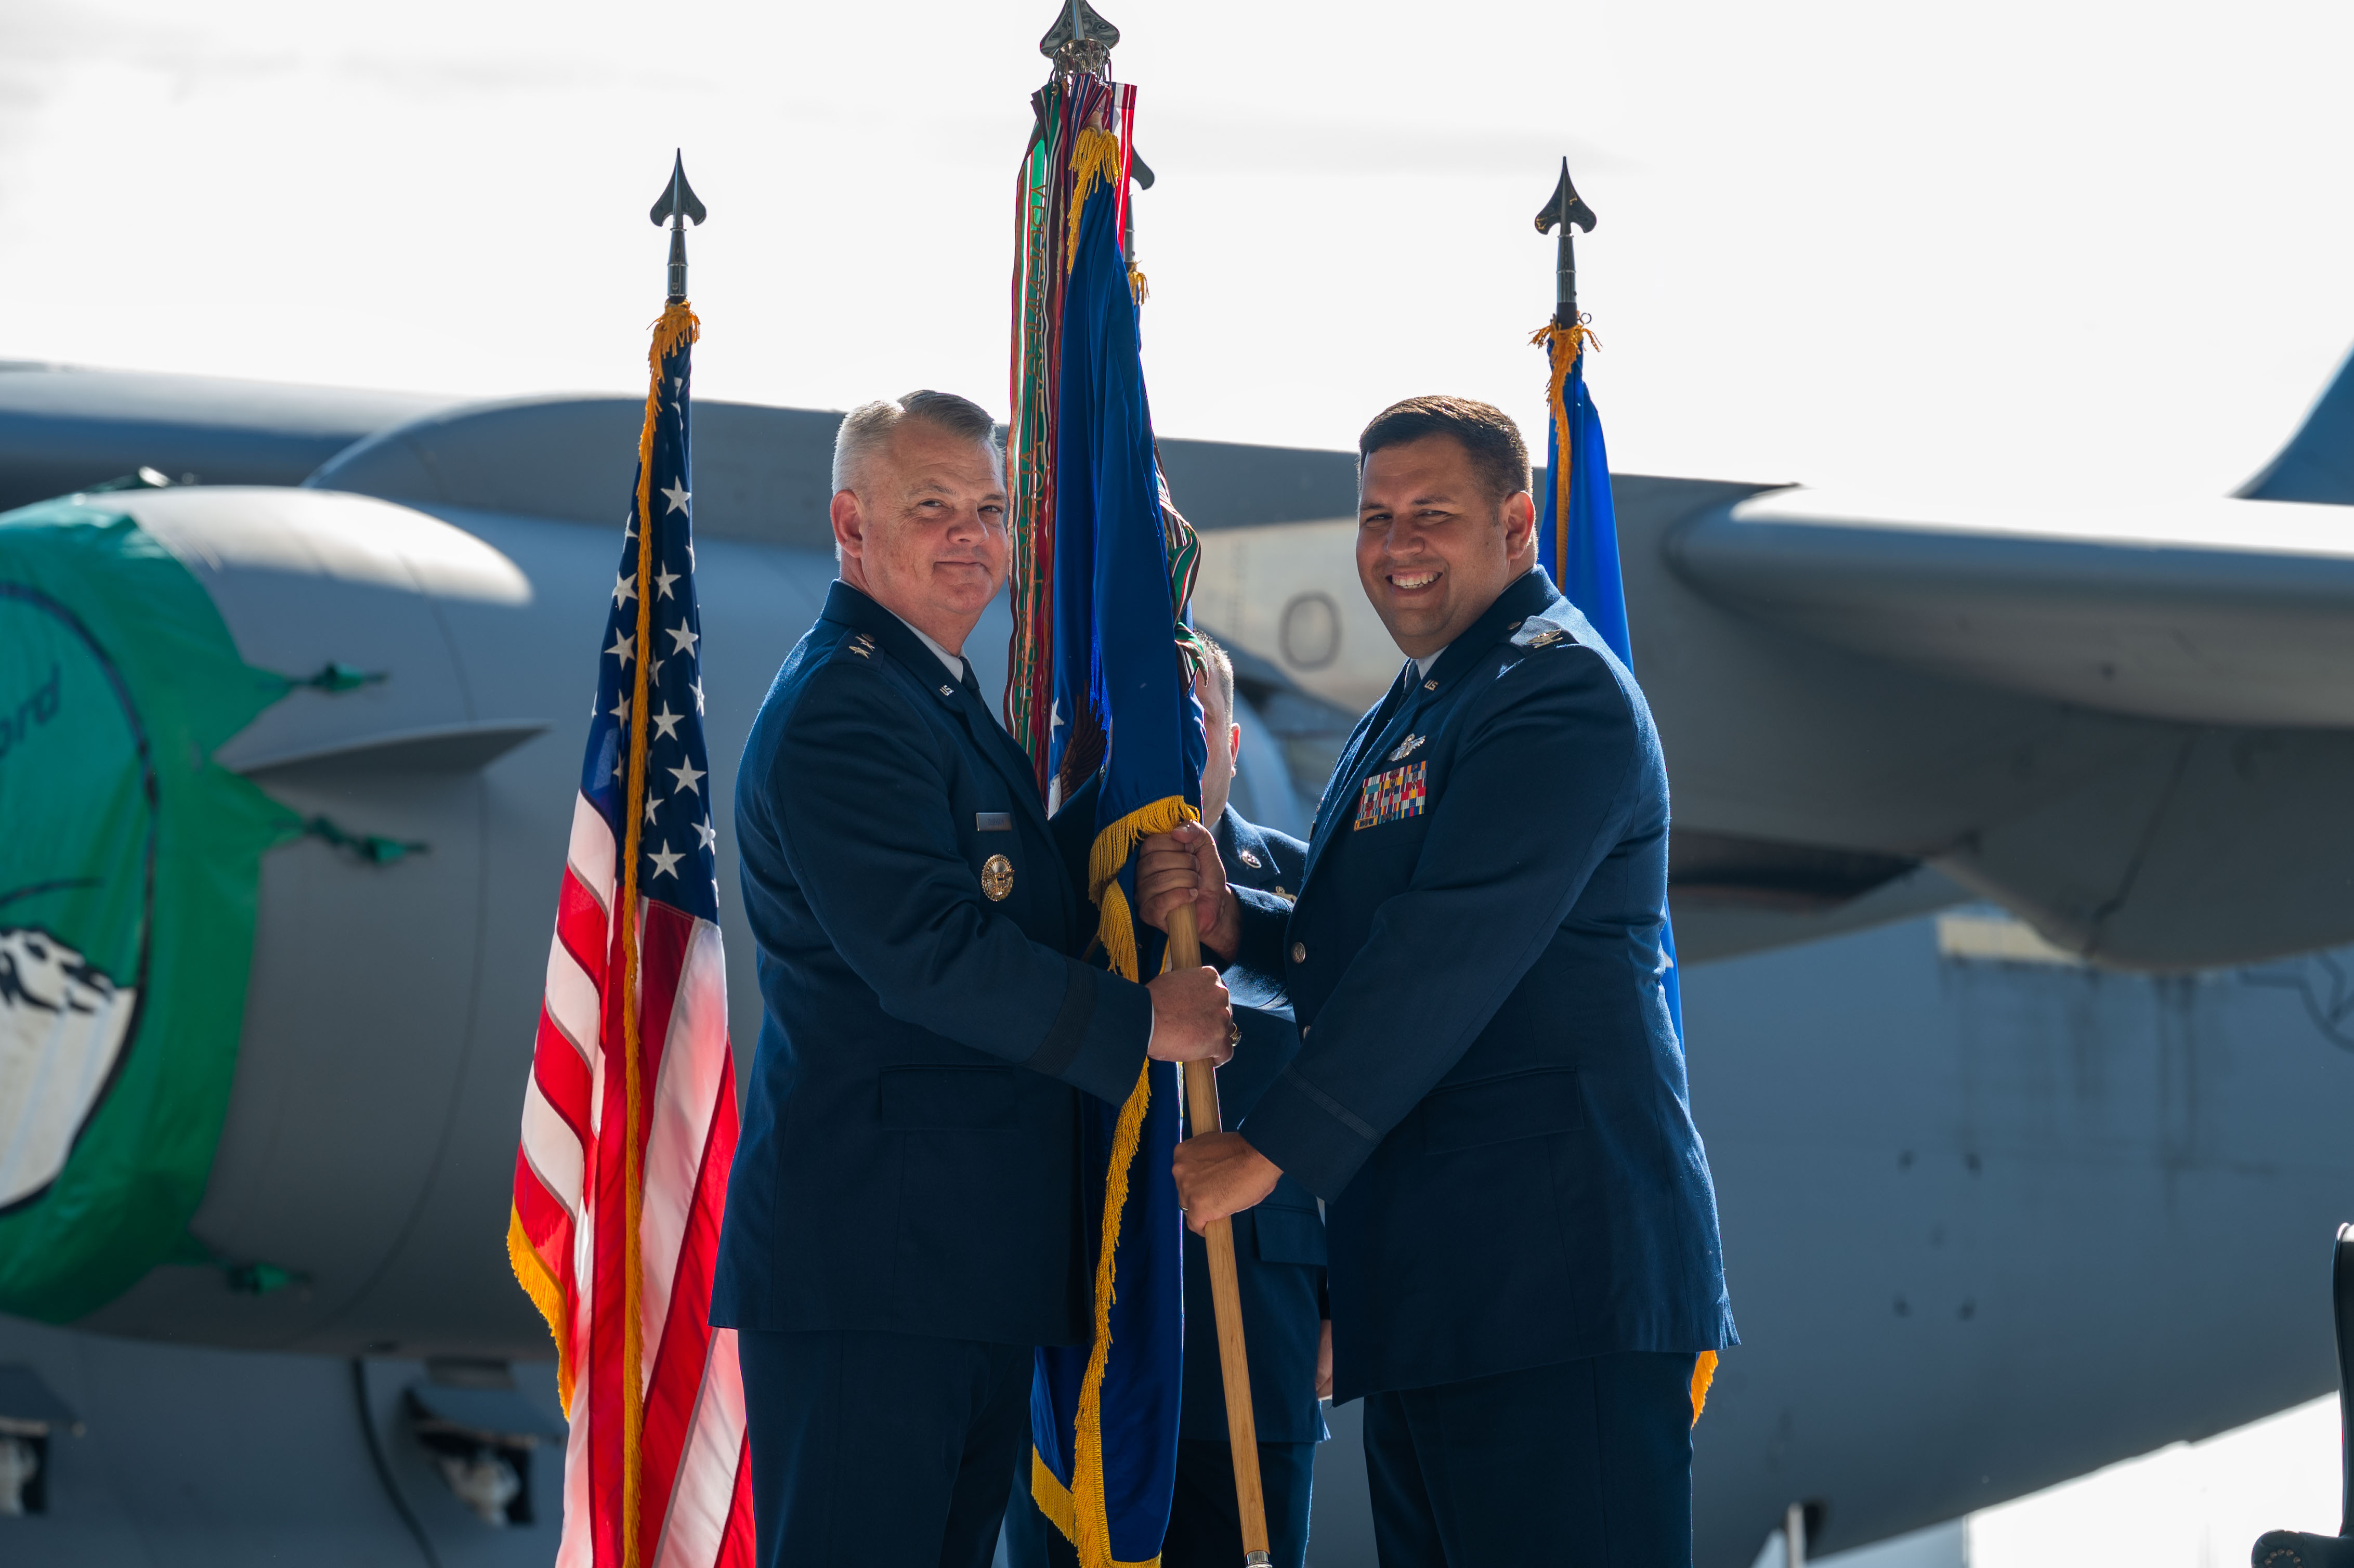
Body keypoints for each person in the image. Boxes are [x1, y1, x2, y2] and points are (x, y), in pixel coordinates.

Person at [1142, 396, 1737, 1567]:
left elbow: (1446, 948)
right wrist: (1238, 922)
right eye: (1375, 516)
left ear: (1516, 523)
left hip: (1556, 1293)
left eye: (1431, 514)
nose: (1397, 544)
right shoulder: (1420, 704)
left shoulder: (1555, 693)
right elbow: (1362, 929)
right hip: (1437, 1296)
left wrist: (1265, 1152)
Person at [712, 390, 1236, 1568]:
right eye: (932, 505)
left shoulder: (929, 697)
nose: (970, 535)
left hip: (955, 1267)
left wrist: (1147, 799)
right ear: (851, 524)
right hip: (877, 1270)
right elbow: (927, 949)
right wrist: (1139, 1021)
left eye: (991, 509)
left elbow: (1022, 895)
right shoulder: (845, 707)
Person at [1006, 631, 1329, 1568]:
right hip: (1085, 1344)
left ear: (1233, 746)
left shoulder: (1300, 888)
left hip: (1259, 1336)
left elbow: (1364, 1081)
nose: (1175, 763)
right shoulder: (1057, 897)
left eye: (1200, 732)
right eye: (1150, 738)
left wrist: (1347, 1298)